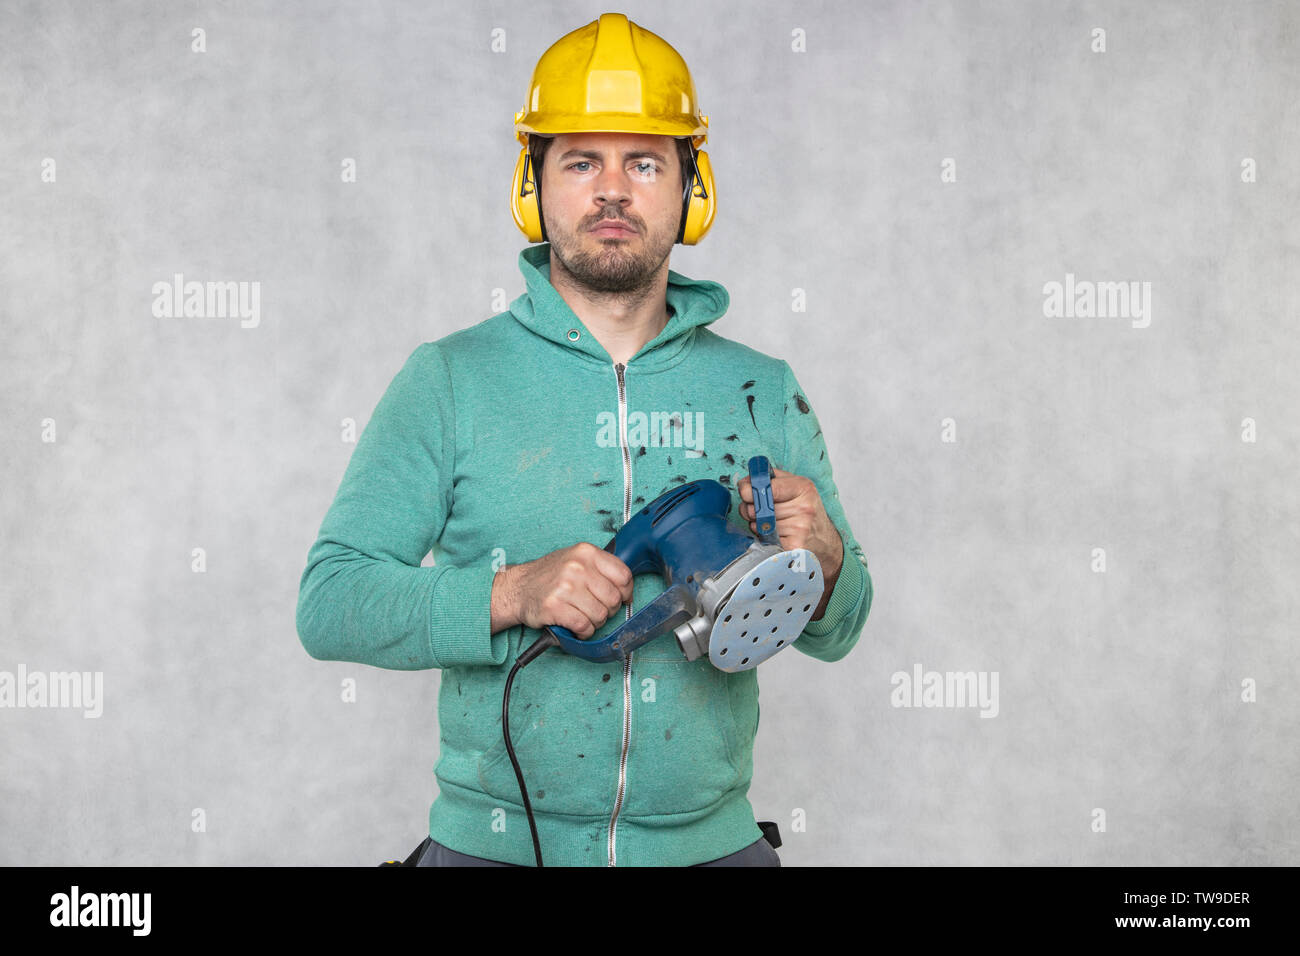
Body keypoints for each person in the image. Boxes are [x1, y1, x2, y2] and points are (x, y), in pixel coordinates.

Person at [296, 12, 873, 867]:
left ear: (692, 188)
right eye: (580, 162)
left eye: (644, 162)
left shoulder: (762, 388)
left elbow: (842, 629)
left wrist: (825, 563)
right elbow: (331, 602)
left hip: (712, 852)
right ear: (533, 187)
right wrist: (509, 593)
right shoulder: (449, 379)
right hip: (492, 849)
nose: (612, 191)